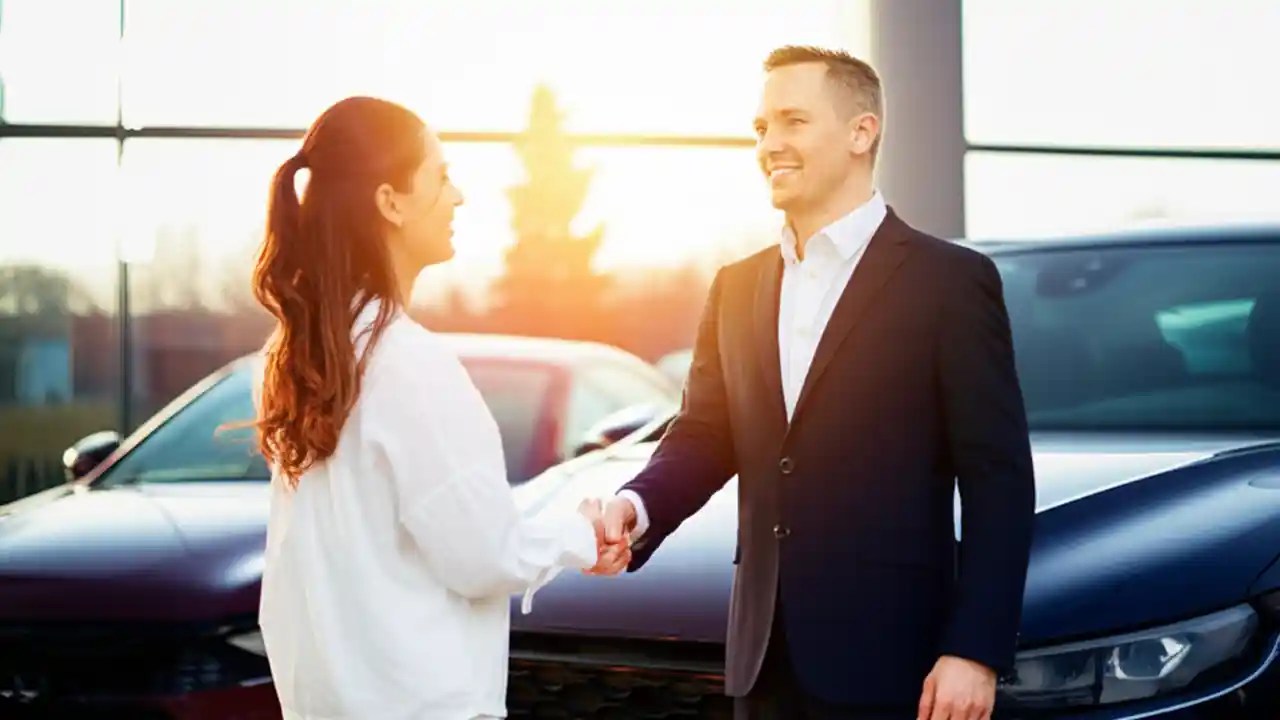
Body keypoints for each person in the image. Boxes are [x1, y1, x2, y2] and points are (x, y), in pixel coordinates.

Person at [589, 46, 1036, 720]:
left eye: (793, 121)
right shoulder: (735, 288)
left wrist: (975, 650)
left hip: (895, 666)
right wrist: (638, 505)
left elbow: (997, 480)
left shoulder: (949, 284)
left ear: (862, 132)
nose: (771, 144)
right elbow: (706, 434)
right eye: (761, 128)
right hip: (762, 660)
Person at [251, 96, 621, 720]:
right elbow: (482, 555)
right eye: (441, 175)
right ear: (390, 201)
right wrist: (580, 534)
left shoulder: (294, 356)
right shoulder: (406, 363)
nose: (458, 197)